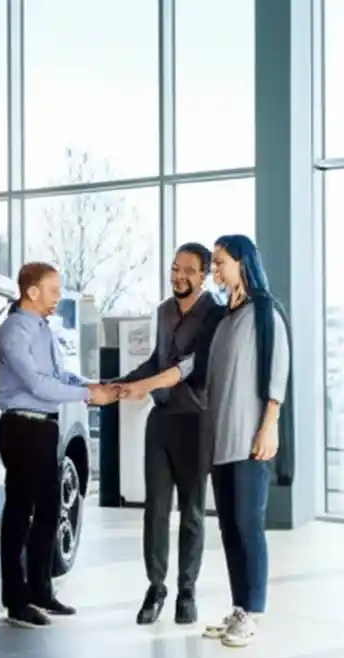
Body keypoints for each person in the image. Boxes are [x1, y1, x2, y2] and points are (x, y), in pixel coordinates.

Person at [0, 262, 117, 629]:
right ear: (32, 291)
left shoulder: (42, 328)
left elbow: (58, 376)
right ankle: (16, 601)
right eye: (52, 289)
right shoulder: (13, 332)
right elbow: (37, 385)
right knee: (20, 514)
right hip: (22, 428)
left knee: (49, 510)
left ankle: (40, 591)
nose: (57, 297)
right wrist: (87, 394)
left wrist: (94, 385)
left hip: (45, 428)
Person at [111, 243, 225, 626]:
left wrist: (149, 383)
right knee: (156, 509)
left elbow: (192, 365)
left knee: (192, 512)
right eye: (174, 268)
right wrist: (123, 385)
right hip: (160, 420)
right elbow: (158, 360)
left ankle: (187, 590)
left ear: (204, 273)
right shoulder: (162, 311)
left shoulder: (216, 314)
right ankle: (156, 586)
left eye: (187, 270)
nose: (178, 276)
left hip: (196, 421)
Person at [201, 234, 290, 648]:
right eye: (214, 263)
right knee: (230, 530)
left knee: (249, 526)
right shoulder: (224, 318)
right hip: (221, 440)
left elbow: (277, 372)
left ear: (243, 263)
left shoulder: (264, 312)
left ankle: (252, 614)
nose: (215, 270)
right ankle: (239, 608)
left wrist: (268, 425)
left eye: (220, 262)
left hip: (251, 439)